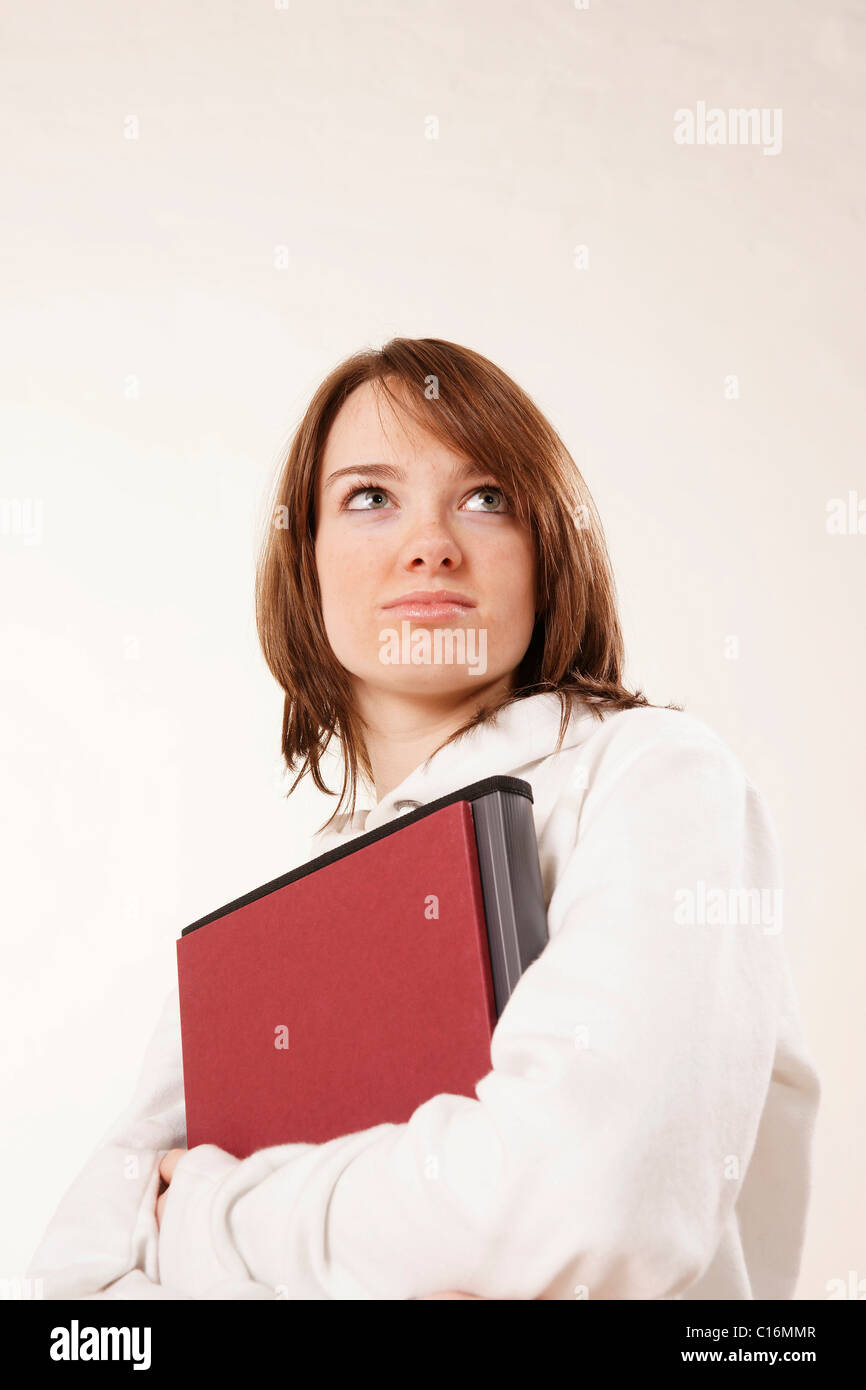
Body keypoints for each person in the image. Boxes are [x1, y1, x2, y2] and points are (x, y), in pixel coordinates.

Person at [26, 337, 821, 1299]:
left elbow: (589, 1207)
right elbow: (73, 1296)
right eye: (369, 496)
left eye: (487, 497)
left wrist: (207, 1214)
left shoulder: (657, 778)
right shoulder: (259, 930)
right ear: (305, 557)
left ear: (548, 547)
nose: (431, 543)